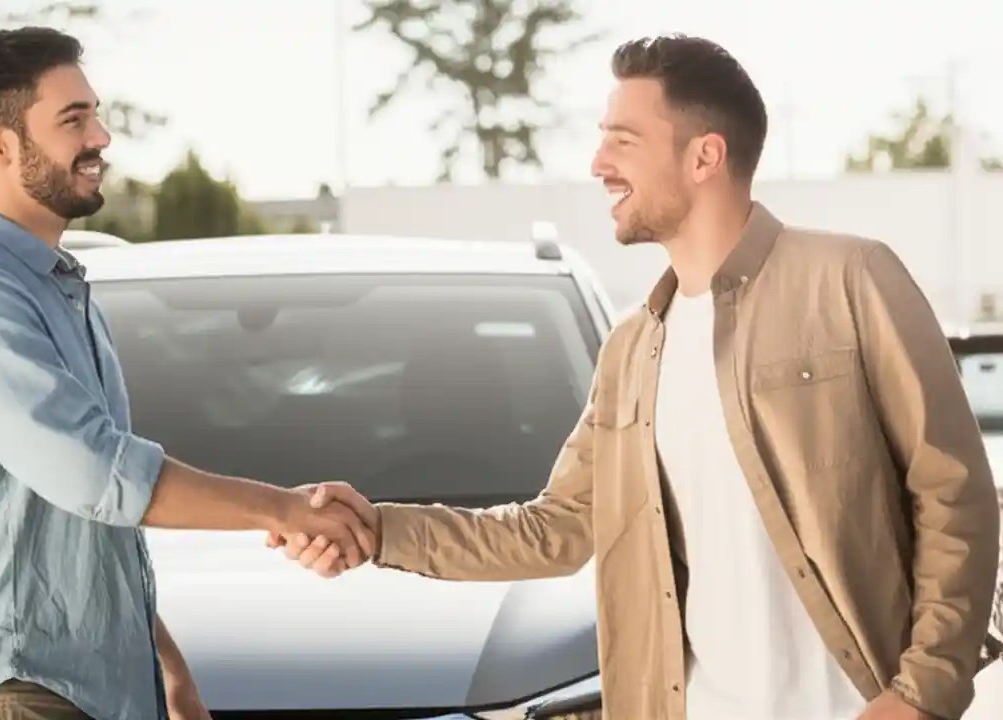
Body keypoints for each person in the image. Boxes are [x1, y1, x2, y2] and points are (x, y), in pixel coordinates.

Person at [272, 34, 1000, 720]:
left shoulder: (849, 279)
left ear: (704, 156)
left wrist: (923, 693)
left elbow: (954, 492)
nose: (597, 163)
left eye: (623, 139)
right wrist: (379, 531)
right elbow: (555, 528)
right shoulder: (631, 348)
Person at [0, 27, 374, 720]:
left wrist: (170, 671)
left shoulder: (60, 290)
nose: (101, 138)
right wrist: (285, 508)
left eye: (94, 113)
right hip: (29, 691)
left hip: (100, 692)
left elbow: (91, 531)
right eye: (73, 119)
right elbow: (97, 476)